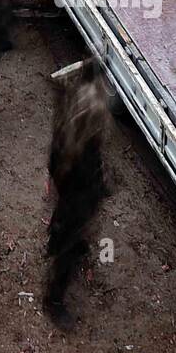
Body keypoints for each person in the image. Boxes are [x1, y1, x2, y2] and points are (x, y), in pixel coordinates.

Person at [44, 60, 111, 330]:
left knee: (67, 220)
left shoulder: (74, 96)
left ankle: (55, 238)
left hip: (70, 176)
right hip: (78, 182)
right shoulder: (91, 106)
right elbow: (79, 152)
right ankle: (54, 300)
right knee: (70, 245)